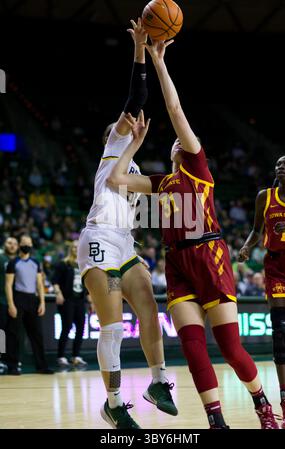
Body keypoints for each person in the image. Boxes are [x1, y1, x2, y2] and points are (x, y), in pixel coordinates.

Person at [108, 39, 278, 429]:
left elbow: (173, 108)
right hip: (177, 262)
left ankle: (262, 404)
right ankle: (216, 420)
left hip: (209, 255)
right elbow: (118, 177)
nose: (178, 139)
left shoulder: (196, 167)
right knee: (193, 347)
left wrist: (157, 60)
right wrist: (133, 143)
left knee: (231, 348)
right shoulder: (161, 180)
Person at [77, 19, 176, 429]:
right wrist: (141, 50)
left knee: (151, 307)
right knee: (114, 327)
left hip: (124, 243)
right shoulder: (116, 145)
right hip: (99, 239)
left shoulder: (131, 163)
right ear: (111, 136)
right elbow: (138, 95)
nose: (128, 122)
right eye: (120, 124)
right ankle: (114, 404)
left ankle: (157, 382)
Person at [239, 154, 285, 429]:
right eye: (277, 164)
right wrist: (247, 246)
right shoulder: (265, 196)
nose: (280, 166)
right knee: (280, 332)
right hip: (275, 265)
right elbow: (256, 230)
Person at [4, 235, 53, 375]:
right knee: (15, 334)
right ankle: (13, 366)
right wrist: (11, 304)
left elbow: (39, 283)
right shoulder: (13, 263)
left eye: (28, 243)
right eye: (24, 243)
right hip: (18, 298)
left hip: (33, 299)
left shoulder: (36, 263)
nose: (26, 245)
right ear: (20, 245)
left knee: (37, 334)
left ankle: (42, 366)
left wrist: (42, 302)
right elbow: (8, 285)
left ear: (31, 245)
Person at [53, 240, 89, 369]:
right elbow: (55, 281)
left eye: (78, 247)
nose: (75, 249)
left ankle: (76, 356)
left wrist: (89, 297)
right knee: (66, 327)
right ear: (70, 249)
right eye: (73, 247)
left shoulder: (84, 265)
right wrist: (58, 293)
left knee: (80, 328)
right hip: (67, 300)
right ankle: (61, 356)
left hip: (80, 300)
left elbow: (88, 283)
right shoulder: (63, 264)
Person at [0, 237, 19, 374]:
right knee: (1, 332)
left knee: (13, 333)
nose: (12, 246)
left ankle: (12, 361)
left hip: (17, 302)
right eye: (9, 243)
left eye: (14, 244)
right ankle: (1, 361)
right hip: (1, 300)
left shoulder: (20, 260)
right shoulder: (1, 258)